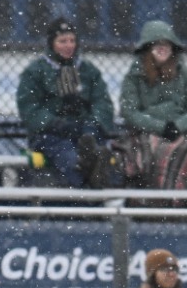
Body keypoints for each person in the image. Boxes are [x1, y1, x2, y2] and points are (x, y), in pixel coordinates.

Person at [117, 21, 187, 191]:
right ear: (147, 47)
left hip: (181, 132)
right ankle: (157, 202)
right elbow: (130, 112)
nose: (162, 48)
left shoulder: (184, 73)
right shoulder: (135, 75)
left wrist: (177, 126)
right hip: (145, 133)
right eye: (157, 44)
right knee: (155, 151)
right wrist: (160, 127)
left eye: (167, 44)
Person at [16, 17, 115, 190]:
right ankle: (93, 181)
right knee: (67, 154)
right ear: (51, 43)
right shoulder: (36, 71)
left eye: (72, 40)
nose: (69, 45)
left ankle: (90, 166)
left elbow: (103, 103)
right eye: (62, 41)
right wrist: (56, 123)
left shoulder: (88, 70)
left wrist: (91, 124)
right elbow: (28, 108)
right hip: (50, 134)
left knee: (92, 143)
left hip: (85, 133)